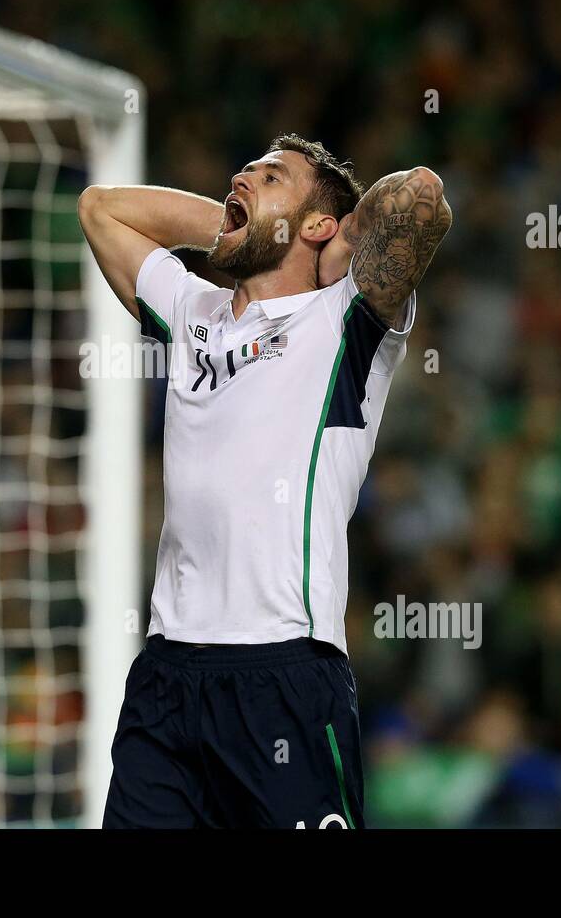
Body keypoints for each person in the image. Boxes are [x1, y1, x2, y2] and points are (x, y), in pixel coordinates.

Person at [78, 134, 452, 828]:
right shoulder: (196, 313)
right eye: (243, 170)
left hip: (283, 673)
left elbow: (422, 198)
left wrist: (337, 244)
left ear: (318, 225)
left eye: (270, 176)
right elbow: (101, 209)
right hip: (166, 677)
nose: (241, 177)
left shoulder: (345, 320)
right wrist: (230, 223)